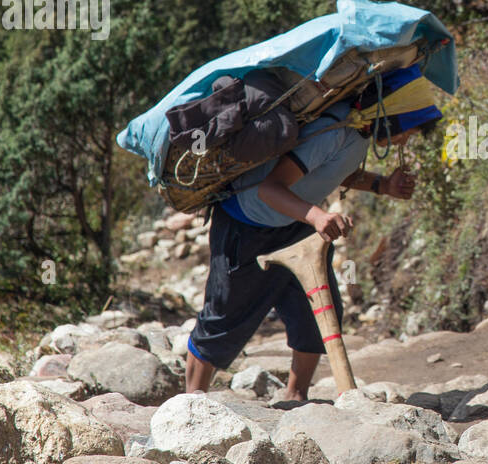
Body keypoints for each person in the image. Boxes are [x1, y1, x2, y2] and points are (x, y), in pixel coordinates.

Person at [184, 64, 442, 396]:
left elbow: (329, 171)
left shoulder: (358, 132)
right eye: (408, 128)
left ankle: (295, 397)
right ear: (391, 114)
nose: (408, 137)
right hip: (247, 227)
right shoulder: (336, 129)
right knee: (223, 318)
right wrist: (318, 216)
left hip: (295, 225)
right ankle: (190, 405)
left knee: (319, 312)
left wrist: (382, 185)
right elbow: (270, 188)